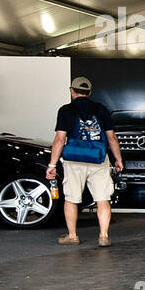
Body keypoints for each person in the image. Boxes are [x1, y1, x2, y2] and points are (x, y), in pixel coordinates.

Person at [46, 76, 125, 246]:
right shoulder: (102, 109)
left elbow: (60, 140)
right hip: (98, 158)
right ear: (89, 92)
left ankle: (72, 235)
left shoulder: (65, 110)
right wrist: (118, 159)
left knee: (71, 198)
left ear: (72, 91)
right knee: (102, 198)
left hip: (74, 160)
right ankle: (103, 236)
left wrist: (52, 165)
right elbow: (111, 138)